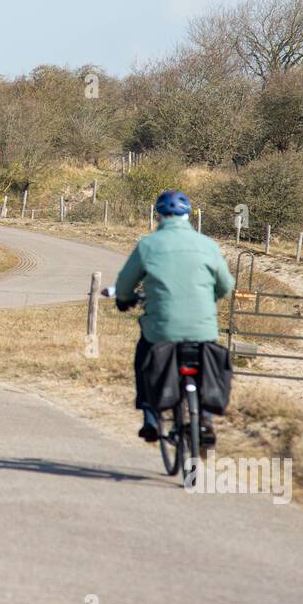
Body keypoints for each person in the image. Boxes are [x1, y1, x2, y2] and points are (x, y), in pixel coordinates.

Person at [114, 190, 234, 443]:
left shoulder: (148, 245)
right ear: (188, 216)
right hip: (203, 328)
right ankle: (204, 419)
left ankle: (151, 419)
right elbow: (225, 285)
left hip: (161, 330)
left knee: (144, 362)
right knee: (204, 364)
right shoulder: (208, 245)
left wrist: (124, 300)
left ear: (159, 215)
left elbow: (125, 283)